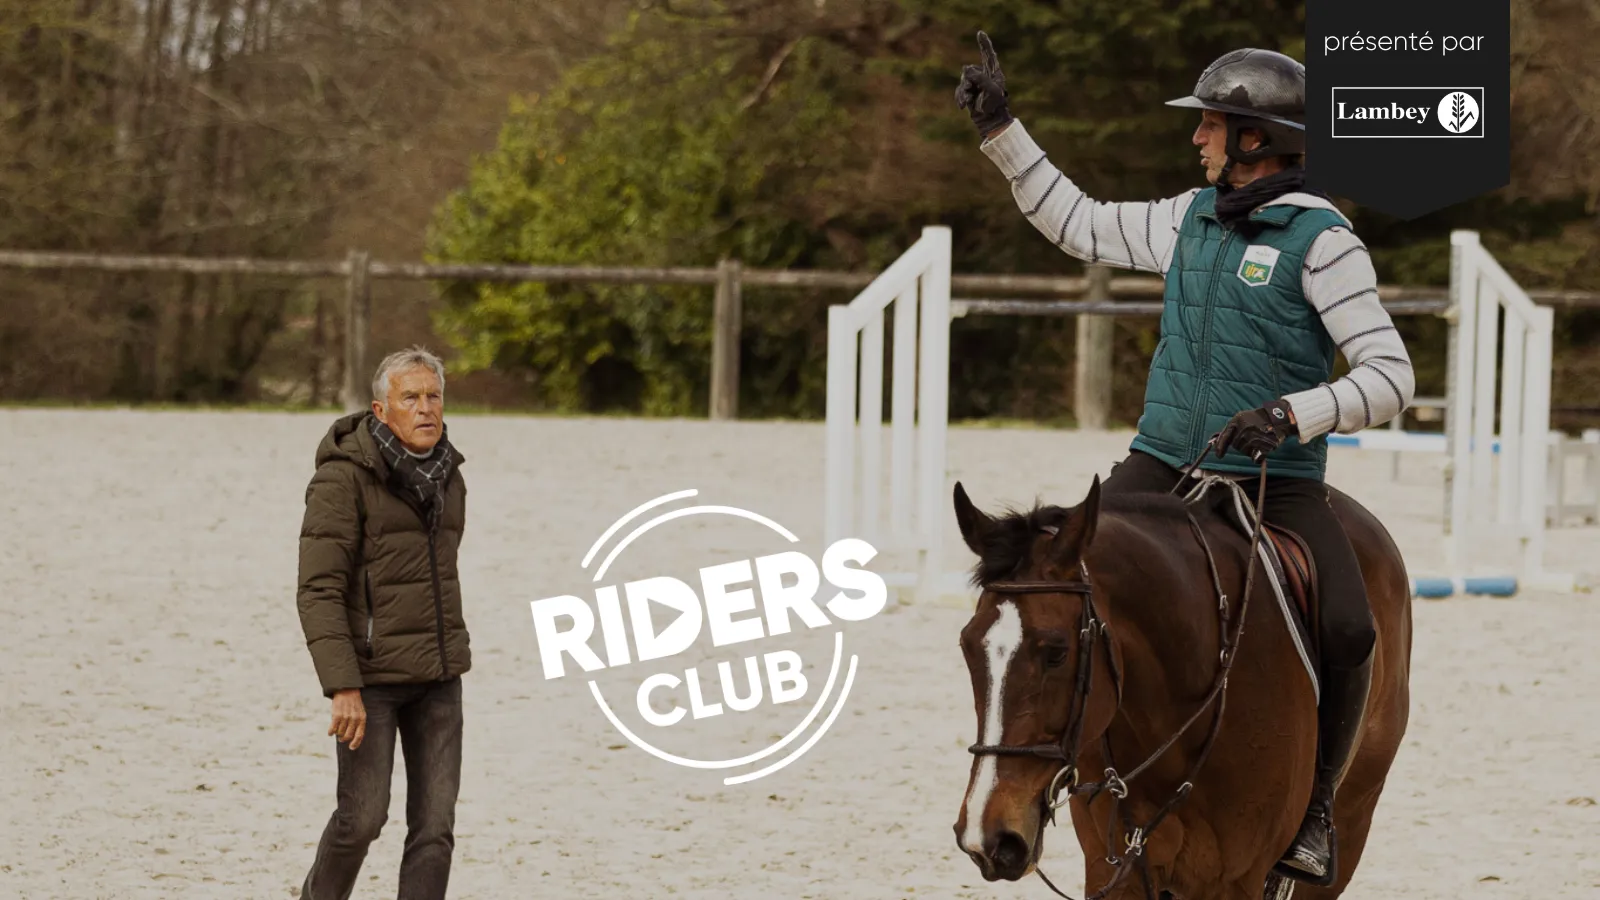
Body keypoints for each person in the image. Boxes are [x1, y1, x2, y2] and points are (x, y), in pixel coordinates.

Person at [956, 37, 1415, 886]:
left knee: (1352, 629)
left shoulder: (1325, 243)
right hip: (1162, 463)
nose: (1197, 138)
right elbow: (1079, 223)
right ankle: (1058, 777)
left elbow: (1391, 376)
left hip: (1275, 478)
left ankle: (1315, 807)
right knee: (1052, 588)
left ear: (1254, 138)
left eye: (1209, 125)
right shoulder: (1187, 215)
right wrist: (1001, 130)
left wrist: (1292, 414)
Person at [295, 346, 473, 899]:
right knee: (362, 820)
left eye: (433, 396)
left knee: (435, 831)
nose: (425, 408)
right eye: (410, 398)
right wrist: (342, 685)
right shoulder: (341, 480)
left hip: (438, 678)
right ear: (380, 410)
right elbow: (319, 590)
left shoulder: (450, 477)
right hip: (369, 682)